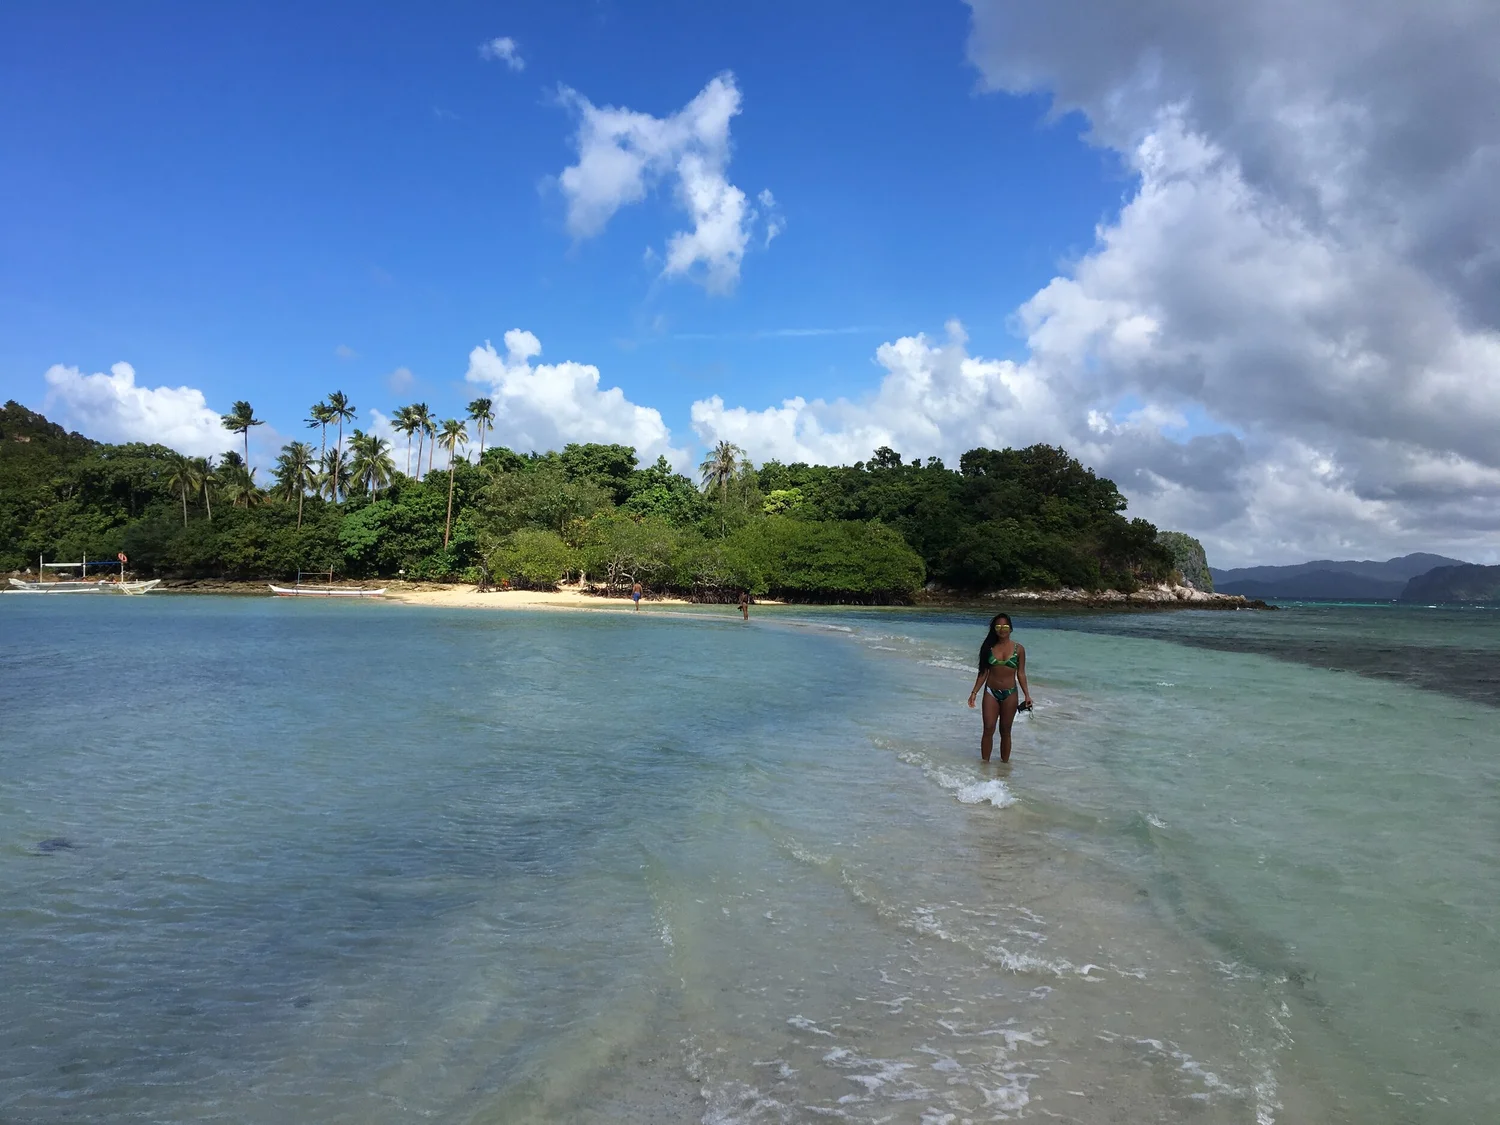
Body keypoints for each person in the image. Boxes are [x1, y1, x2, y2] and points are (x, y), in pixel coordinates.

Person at [966, 613, 1032, 763]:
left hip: (1010, 693)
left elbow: (1021, 673)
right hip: (991, 692)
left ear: (1011, 628)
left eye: (1005, 626)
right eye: (998, 627)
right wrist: (974, 692)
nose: (1002, 629)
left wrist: (1027, 695)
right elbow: (983, 672)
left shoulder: (1019, 649)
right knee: (988, 728)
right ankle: (984, 766)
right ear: (994, 629)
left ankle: (1004, 768)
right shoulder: (988, 648)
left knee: (1005, 731)